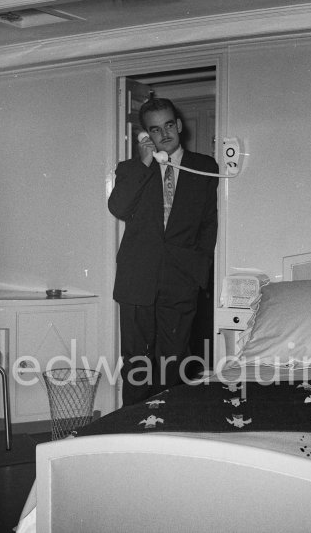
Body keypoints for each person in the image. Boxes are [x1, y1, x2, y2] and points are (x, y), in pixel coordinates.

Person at [108, 97, 219, 405]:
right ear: (147, 135)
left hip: (181, 280)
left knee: (175, 361)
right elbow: (117, 206)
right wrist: (145, 163)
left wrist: (198, 268)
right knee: (136, 361)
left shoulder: (205, 168)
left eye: (169, 125)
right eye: (155, 130)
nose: (165, 134)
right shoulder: (132, 169)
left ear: (179, 125)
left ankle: (168, 428)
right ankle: (131, 425)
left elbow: (209, 224)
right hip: (136, 280)